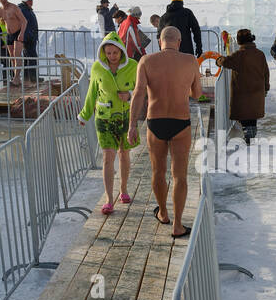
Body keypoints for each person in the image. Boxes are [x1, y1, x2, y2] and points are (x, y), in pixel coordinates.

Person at [128, 26, 203, 238]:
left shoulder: (146, 61)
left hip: (155, 122)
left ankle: (162, 212)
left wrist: (132, 124)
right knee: (179, 175)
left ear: (160, 41)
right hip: (181, 122)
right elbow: (197, 94)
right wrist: (182, 86)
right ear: (178, 42)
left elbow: (138, 93)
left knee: (158, 172)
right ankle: (178, 225)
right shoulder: (190, 61)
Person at [77, 33, 139, 215]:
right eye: (109, 53)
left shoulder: (133, 66)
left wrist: (129, 94)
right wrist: (84, 115)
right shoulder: (97, 67)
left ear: (121, 51)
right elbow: (91, 93)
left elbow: (141, 89)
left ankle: (124, 189)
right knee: (107, 157)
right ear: (103, 52)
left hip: (125, 117)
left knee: (124, 153)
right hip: (104, 118)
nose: (112, 56)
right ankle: (109, 199)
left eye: (115, 52)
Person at [217, 28, 270, 144]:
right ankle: (251, 135)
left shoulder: (239, 55)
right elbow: (266, 72)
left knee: (245, 116)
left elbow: (226, 62)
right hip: (257, 90)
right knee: (252, 115)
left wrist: (218, 60)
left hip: (243, 92)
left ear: (240, 41)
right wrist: (266, 87)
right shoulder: (260, 54)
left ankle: (249, 139)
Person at [0, 0, 27, 84]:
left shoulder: (14, 8)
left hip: (18, 33)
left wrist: (22, 33)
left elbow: (24, 21)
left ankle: (16, 78)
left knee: (17, 56)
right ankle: (16, 78)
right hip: (9, 35)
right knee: (12, 57)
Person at [17, 0, 39, 81]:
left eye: (32, 1)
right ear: (25, 1)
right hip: (28, 37)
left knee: (28, 57)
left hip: (30, 36)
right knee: (32, 57)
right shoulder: (24, 10)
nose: (31, 2)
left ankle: (27, 78)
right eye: (30, 1)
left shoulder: (27, 9)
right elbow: (24, 23)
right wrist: (29, 34)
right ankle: (32, 78)